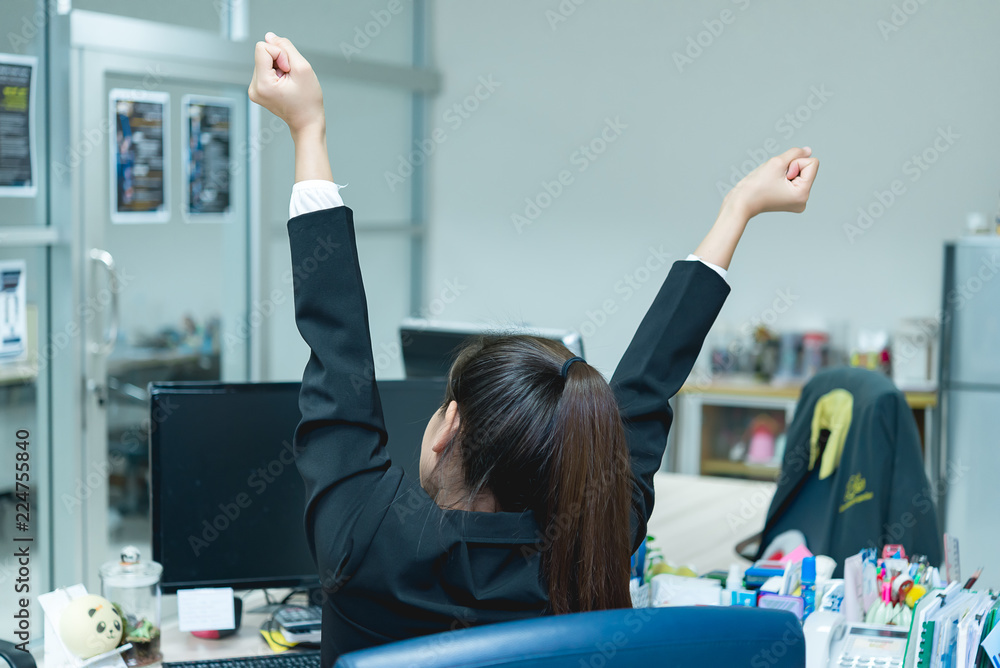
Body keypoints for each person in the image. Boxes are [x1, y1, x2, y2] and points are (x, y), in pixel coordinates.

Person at [248, 32, 819, 663]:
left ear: (448, 429)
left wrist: (309, 128)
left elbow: (339, 355)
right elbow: (646, 385)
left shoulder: (365, 540)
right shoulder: (597, 544)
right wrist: (738, 209)